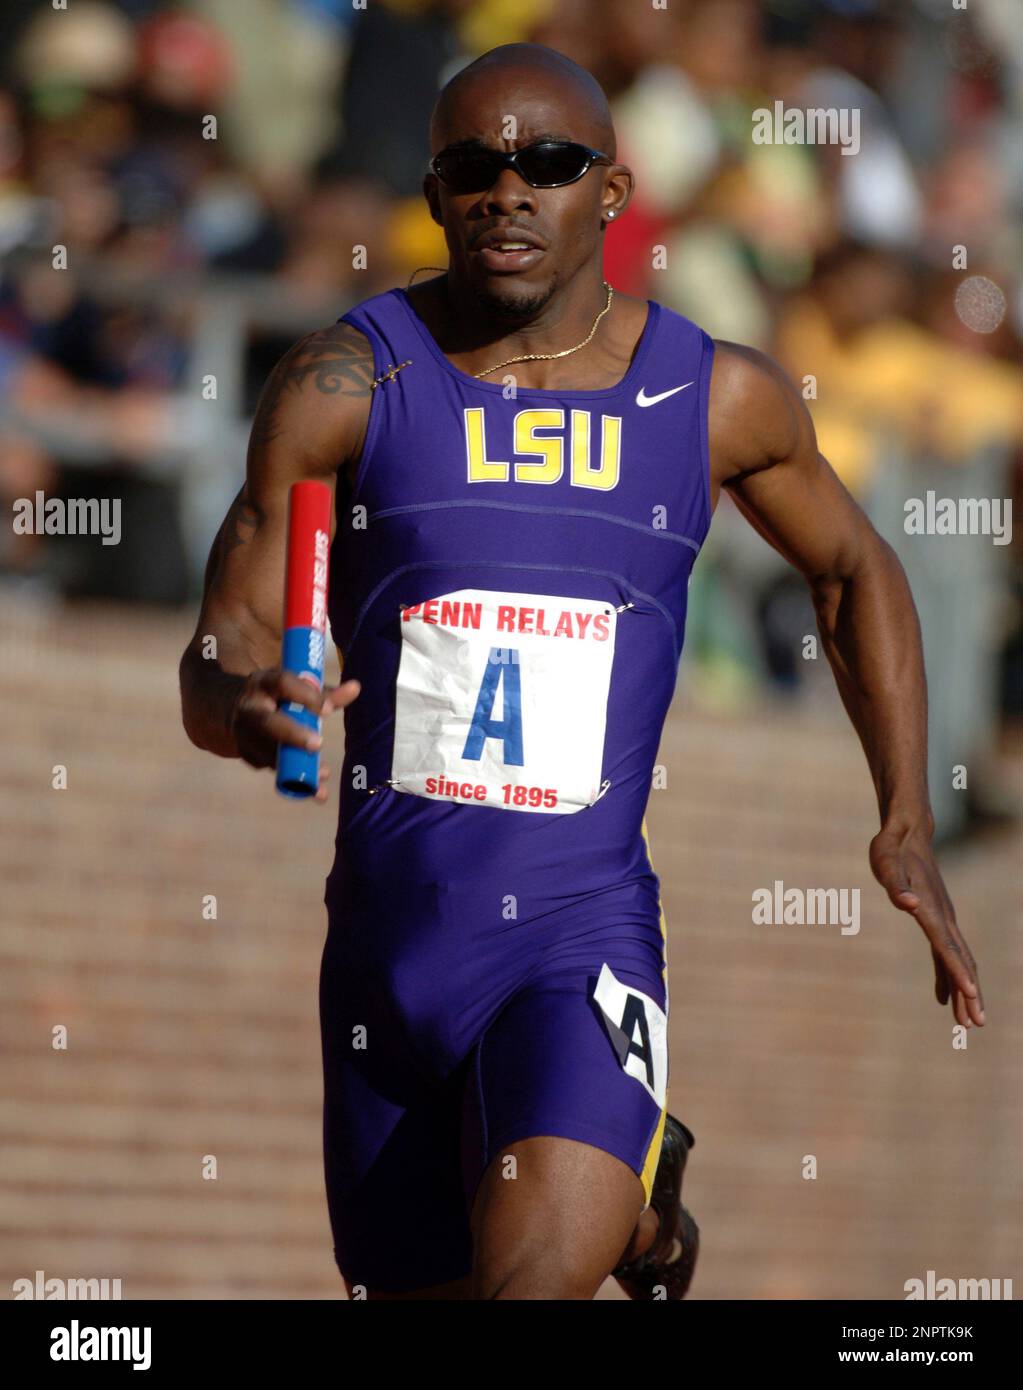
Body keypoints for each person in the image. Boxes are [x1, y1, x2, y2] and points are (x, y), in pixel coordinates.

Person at [178, 43, 985, 1301]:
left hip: (579, 939)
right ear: (435, 193)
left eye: (546, 163)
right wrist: (243, 702)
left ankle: (614, 1175)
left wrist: (905, 819)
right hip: (388, 957)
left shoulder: (713, 397)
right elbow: (217, 644)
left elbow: (855, 572)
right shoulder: (347, 381)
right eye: (472, 167)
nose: (509, 191)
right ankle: (649, 1217)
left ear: (611, 192)